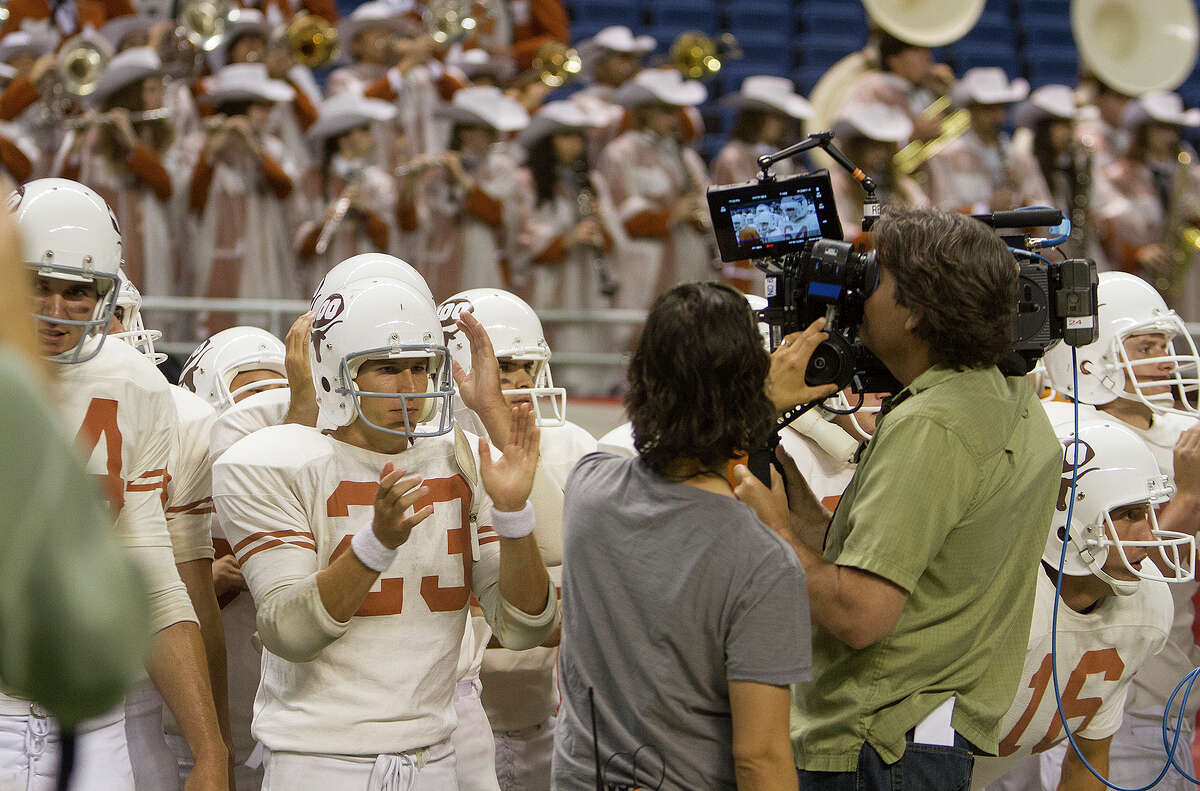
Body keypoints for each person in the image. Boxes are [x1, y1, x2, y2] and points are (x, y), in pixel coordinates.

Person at [734, 207, 1062, 789]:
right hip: (922, 739)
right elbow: (890, 561)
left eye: (876, 277)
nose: (860, 293)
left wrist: (775, 535)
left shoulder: (933, 425)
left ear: (914, 312)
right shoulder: (1008, 396)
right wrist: (789, 497)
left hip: (876, 746)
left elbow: (859, 614)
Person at [211, 278, 557, 787]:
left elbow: (525, 627)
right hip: (319, 758)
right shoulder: (272, 460)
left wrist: (512, 514)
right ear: (334, 370)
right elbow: (290, 632)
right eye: (388, 368)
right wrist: (374, 547)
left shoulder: (460, 455)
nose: (410, 388)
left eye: (420, 367)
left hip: (436, 754)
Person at [6, 178, 228, 789]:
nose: (56, 310)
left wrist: (209, 748)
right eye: (38, 285)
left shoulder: (134, 383)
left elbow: (152, 572)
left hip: (92, 718)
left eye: (78, 291)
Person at [553, 281, 820, 790]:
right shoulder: (762, 561)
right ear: (748, 394)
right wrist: (755, 409)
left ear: (639, 378)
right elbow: (760, 759)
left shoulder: (588, 488)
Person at [1042, 271, 1200, 789]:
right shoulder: (1074, 440)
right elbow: (1103, 574)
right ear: (1089, 359)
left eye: (1166, 345)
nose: (1165, 360)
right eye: (1145, 346)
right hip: (1103, 694)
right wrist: (1189, 500)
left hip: (1171, 685)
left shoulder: (1183, 433)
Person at [974, 418, 1183, 790]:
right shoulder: (999, 598)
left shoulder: (1148, 605)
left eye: (1149, 512)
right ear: (1068, 522)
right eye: (1130, 514)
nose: (1150, 536)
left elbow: (1089, 760)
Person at [111, 274, 231, 791]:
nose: (98, 326)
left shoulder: (177, 416)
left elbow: (182, 591)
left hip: (134, 699)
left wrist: (214, 748)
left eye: (111, 310)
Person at [512, 100, 620, 393]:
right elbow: (520, 240)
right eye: (566, 136)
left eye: (578, 137)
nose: (575, 145)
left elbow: (614, 241)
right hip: (547, 287)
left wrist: (600, 222)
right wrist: (568, 239)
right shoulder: (526, 181)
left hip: (586, 286)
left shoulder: (592, 181)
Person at [926, 68, 1030, 213]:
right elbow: (939, 211)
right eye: (988, 109)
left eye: (1000, 108)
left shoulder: (1016, 155)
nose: (997, 117)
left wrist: (1019, 195)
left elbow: (1041, 204)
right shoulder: (946, 155)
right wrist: (985, 208)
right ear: (972, 109)